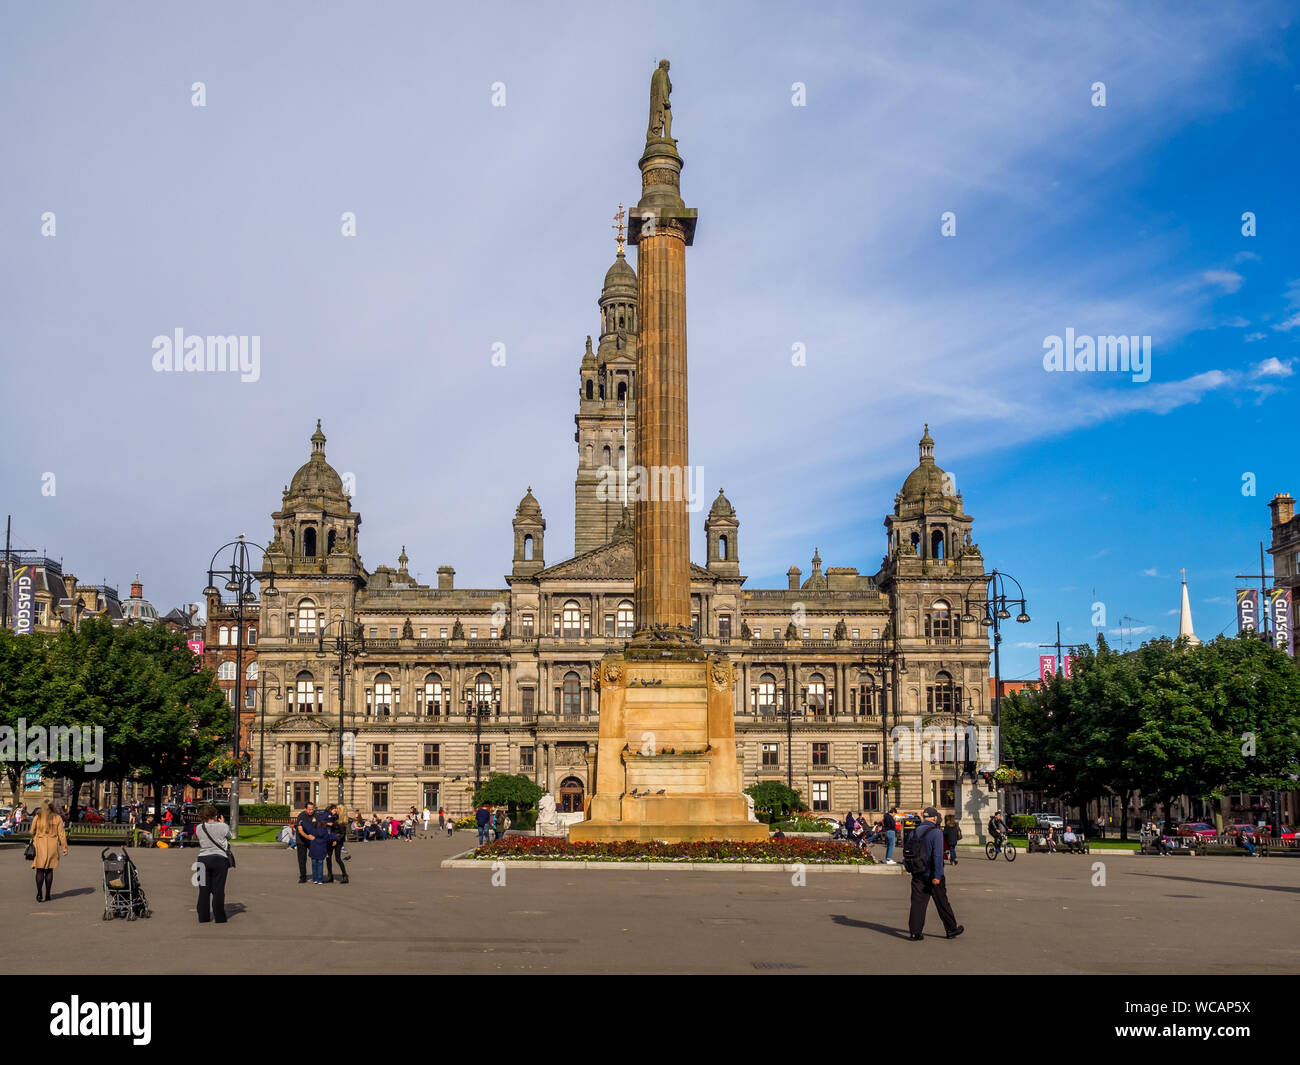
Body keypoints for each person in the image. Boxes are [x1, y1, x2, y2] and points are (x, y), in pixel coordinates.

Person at [906, 807, 963, 941]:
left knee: (917, 903)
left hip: (917, 872)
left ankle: (915, 932)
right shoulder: (936, 832)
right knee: (942, 902)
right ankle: (951, 929)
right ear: (934, 818)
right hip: (932, 873)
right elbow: (938, 856)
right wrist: (938, 875)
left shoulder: (914, 832)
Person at [194, 805, 233, 923]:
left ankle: (203, 916)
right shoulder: (223, 826)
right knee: (218, 889)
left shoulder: (199, 827)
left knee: (203, 889)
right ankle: (219, 917)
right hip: (219, 859)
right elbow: (230, 837)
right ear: (215, 815)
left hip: (202, 859)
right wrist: (222, 822)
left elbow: (199, 838)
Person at [30, 801, 68, 903]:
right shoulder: (57, 818)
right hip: (52, 845)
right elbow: (62, 834)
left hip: (40, 844)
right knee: (49, 871)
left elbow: (31, 830)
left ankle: (39, 893)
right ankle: (47, 894)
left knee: (40, 870)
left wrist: (37, 833)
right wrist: (64, 848)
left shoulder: (38, 816)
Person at [323, 804, 349, 882]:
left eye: (337, 808)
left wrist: (336, 840)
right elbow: (326, 812)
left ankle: (345, 876)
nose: (336, 809)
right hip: (331, 840)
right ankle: (330, 876)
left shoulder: (342, 821)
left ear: (340, 811)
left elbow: (342, 834)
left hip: (337, 841)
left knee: (338, 858)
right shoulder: (334, 817)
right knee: (328, 858)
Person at [295, 802, 318, 883]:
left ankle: (317, 876)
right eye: (309, 809)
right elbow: (300, 830)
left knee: (316, 858)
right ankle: (303, 877)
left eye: (312, 809)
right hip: (301, 840)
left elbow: (319, 826)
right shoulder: (301, 816)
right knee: (302, 859)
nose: (311, 811)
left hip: (312, 839)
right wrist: (308, 837)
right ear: (305, 809)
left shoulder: (316, 815)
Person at [307, 817, 333, 884]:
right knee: (320, 865)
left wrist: (302, 822)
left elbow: (308, 828)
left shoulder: (314, 831)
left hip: (313, 850)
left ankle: (315, 879)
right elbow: (328, 838)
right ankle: (320, 879)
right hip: (321, 850)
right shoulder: (325, 832)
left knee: (314, 865)